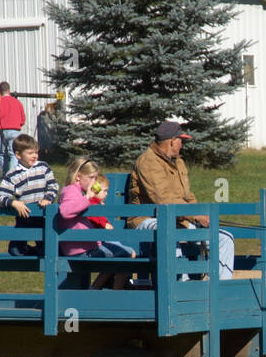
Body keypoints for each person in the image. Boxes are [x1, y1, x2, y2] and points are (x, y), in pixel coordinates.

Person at [126, 120, 234, 279]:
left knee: (224, 238)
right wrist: (194, 216)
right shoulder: (148, 161)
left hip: (178, 219)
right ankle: (178, 288)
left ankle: (217, 292)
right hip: (148, 219)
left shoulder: (179, 162)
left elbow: (187, 195)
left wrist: (200, 214)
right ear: (172, 141)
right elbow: (162, 198)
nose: (182, 145)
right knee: (170, 231)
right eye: (181, 140)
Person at [59, 157, 127, 290]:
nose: (94, 182)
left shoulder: (77, 192)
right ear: (78, 177)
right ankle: (110, 294)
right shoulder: (71, 191)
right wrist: (88, 198)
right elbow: (65, 211)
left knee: (124, 254)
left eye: (95, 178)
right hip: (81, 250)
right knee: (125, 255)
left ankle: (101, 290)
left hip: (85, 246)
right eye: (91, 177)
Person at [0, 133, 58, 256]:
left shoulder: (43, 167)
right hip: (24, 217)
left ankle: (38, 251)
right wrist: (14, 203)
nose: (34, 156)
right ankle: (31, 251)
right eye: (30, 153)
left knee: (48, 249)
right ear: (18, 155)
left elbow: (53, 186)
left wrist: (48, 198)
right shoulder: (13, 174)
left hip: (43, 216)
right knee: (15, 251)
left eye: (36, 152)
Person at [0, 81, 26, 179]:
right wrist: (19, 124)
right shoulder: (17, 102)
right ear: (9, 90)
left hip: (3, 130)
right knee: (14, 154)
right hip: (15, 130)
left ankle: (4, 174)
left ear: (0, 91)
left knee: (3, 154)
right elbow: (23, 118)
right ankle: (13, 175)